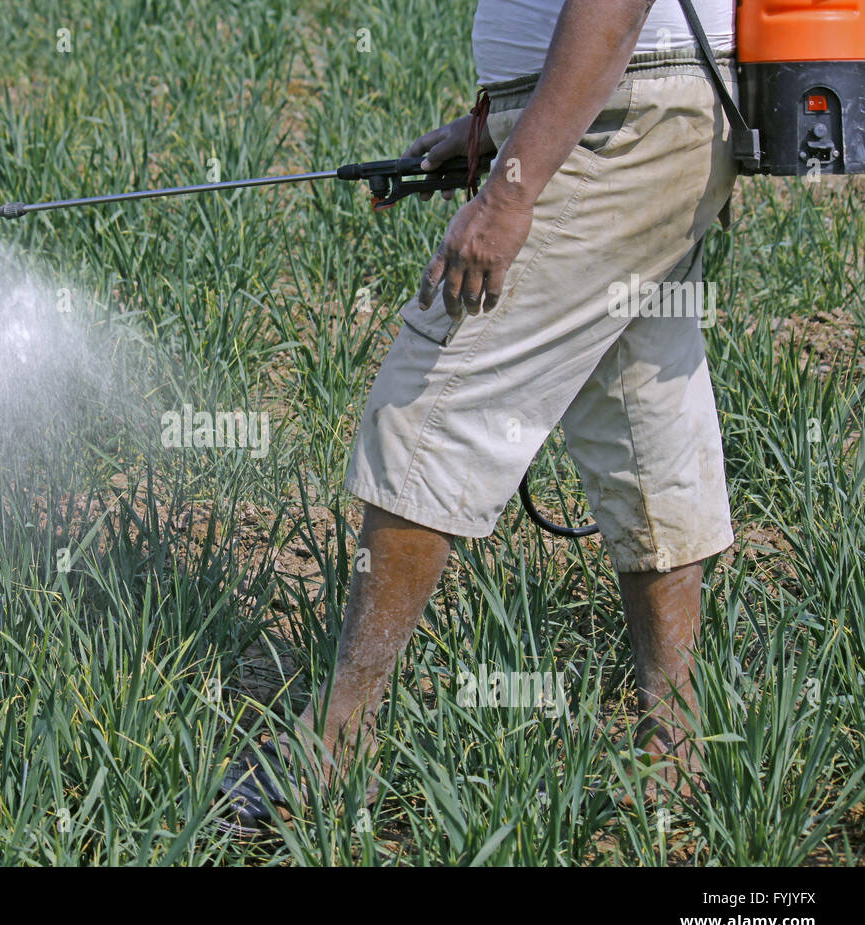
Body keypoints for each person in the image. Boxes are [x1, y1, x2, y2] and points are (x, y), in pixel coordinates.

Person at [222, 0, 738, 830]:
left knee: (428, 407)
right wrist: (512, 126)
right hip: (644, 112)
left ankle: (329, 756)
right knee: (642, 414)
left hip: (623, 122)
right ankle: (676, 764)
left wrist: (511, 191)